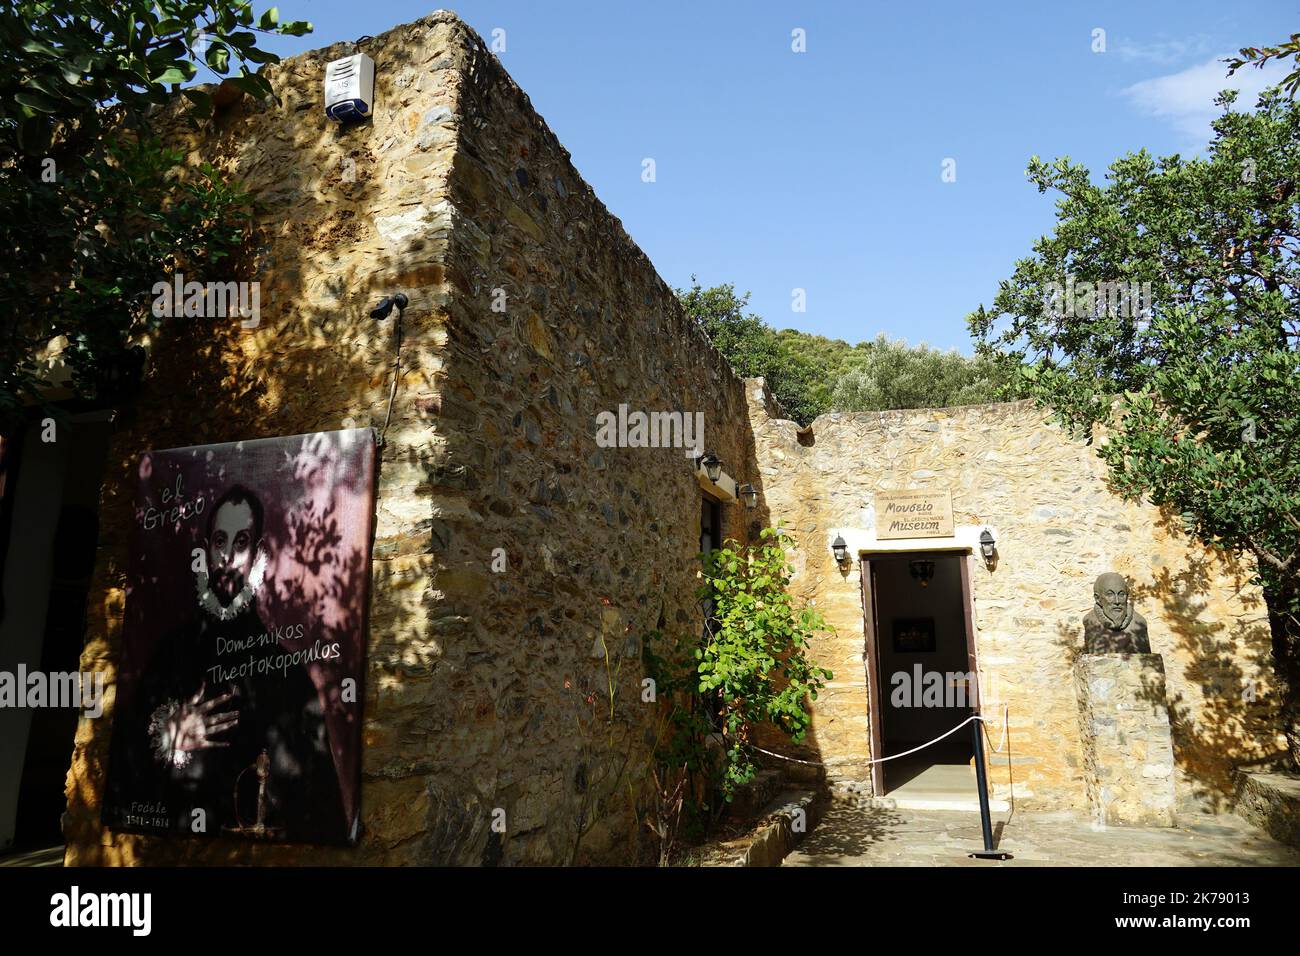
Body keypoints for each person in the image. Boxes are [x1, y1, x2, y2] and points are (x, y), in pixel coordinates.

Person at [105, 483, 347, 843]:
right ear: (207, 550)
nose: (228, 558)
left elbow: (317, 808)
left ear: (257, 553)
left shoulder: (285, 671)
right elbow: (122, 769)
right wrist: (165, 736)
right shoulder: (171, 651)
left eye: (241, 543)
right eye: (220, 541)